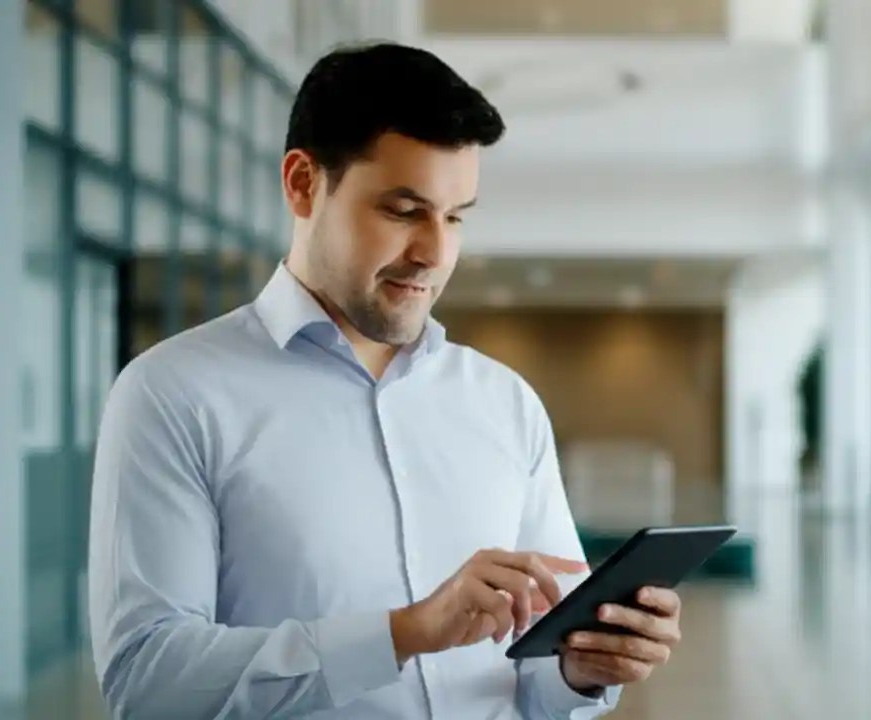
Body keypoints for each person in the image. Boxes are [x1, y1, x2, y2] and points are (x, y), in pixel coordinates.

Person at [87, 43, 684, 719]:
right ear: (302, 183)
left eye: (454, 217)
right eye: (403, 211)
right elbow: (148, 682)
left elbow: (537, 683)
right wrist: (404, 633)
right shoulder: (174, 395)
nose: (435, 252)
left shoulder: (505, 403)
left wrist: (581, 668)